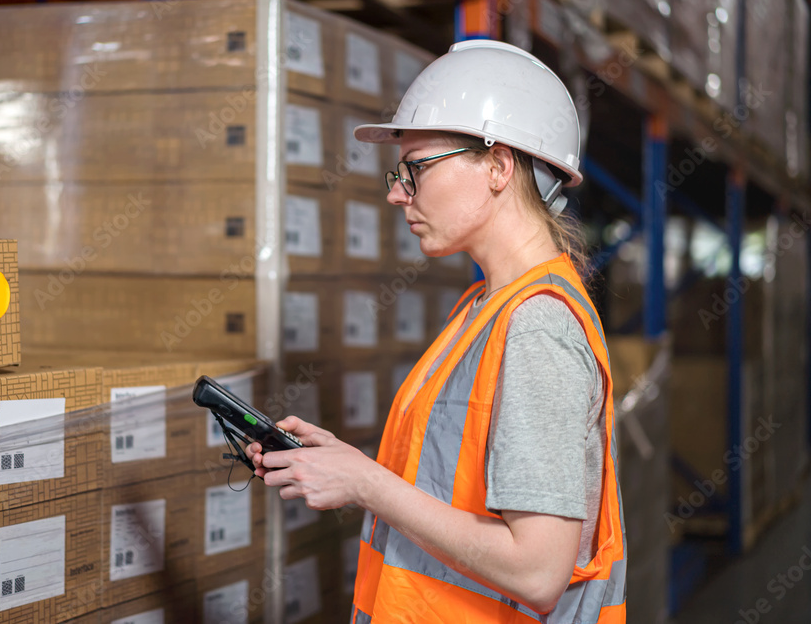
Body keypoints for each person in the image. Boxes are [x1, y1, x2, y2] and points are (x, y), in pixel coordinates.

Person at [246, 40, 626, 623]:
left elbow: (538, 571)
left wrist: (367, 484)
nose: (397, 192)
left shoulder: (537, 326)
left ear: (499, 167)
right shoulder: (481, 308)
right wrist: (344, 464)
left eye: (415, 169)